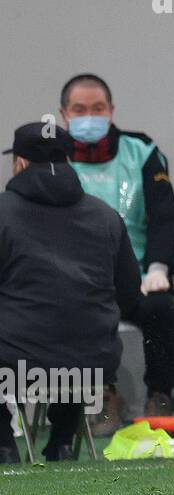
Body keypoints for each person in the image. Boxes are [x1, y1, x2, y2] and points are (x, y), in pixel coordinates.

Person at [0, 124, 141, 463]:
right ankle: (63, 440)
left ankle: (4, 444)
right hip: (95, 363)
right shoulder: (106, 216)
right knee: (74, 331)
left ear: (19, 163)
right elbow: (131, 294)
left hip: (16, 365)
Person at [60, 74, 174, 429]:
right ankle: (103, 394)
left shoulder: (142, 153)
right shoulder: (53, 160)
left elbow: (166, 218)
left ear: (112, 111)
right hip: (77, 281)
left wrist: (159, 267)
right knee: (75, 313)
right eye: (79, 109)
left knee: (161, 309)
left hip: (139, 277)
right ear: (63, 114)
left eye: (97, 108)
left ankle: (159, 395)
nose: (90, 116)